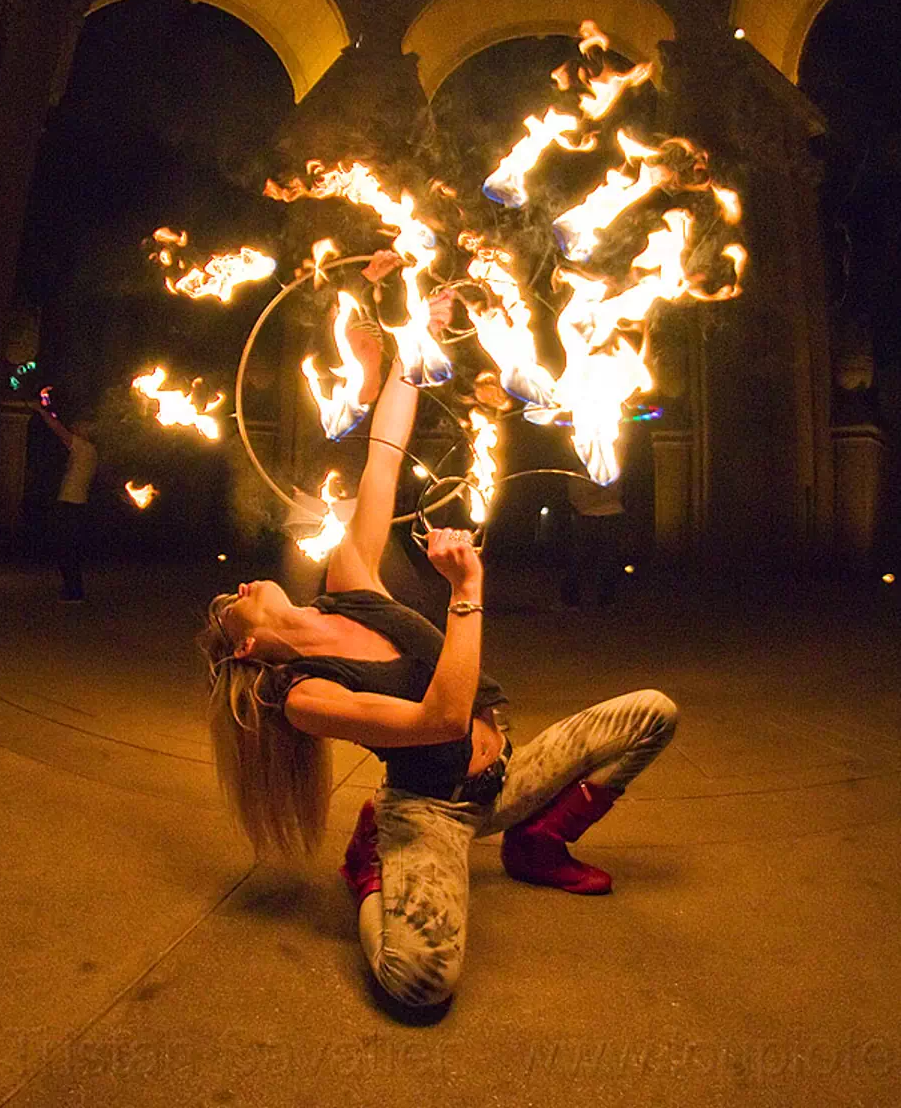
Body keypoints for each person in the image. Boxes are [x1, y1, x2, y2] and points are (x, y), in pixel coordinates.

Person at [199, 356, 678, 1010]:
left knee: (653, 713)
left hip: (508, 775)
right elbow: (442, 720)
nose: (239, 587)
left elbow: (383, 460)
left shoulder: (349, 581)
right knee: (420, 980)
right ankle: (371, 871)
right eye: (228, 606)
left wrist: (410, 349)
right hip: (433, 810)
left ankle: (538, 845)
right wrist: (465, 590)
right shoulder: (307, 698)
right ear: (247, 646)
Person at [30, 399, 97, 601]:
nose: (75, 427)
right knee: (67, 548)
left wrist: (41, 411)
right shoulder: (88, 450)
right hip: (74, 503)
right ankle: (72, 588)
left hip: (71, 504)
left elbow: (59, 430)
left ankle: (74, 590)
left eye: (80, 425)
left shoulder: (84, 447)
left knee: (66, 548)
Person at [560, 473, 627, 608]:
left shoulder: (610, 471)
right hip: (587, 519)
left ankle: (606, 600)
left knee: (609, 560)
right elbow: (578, 501)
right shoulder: (577, 477)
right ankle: (570, 600)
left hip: (611, 518)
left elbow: (616, 493)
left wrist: (595, 495)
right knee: (578, 559)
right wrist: (601, 494)